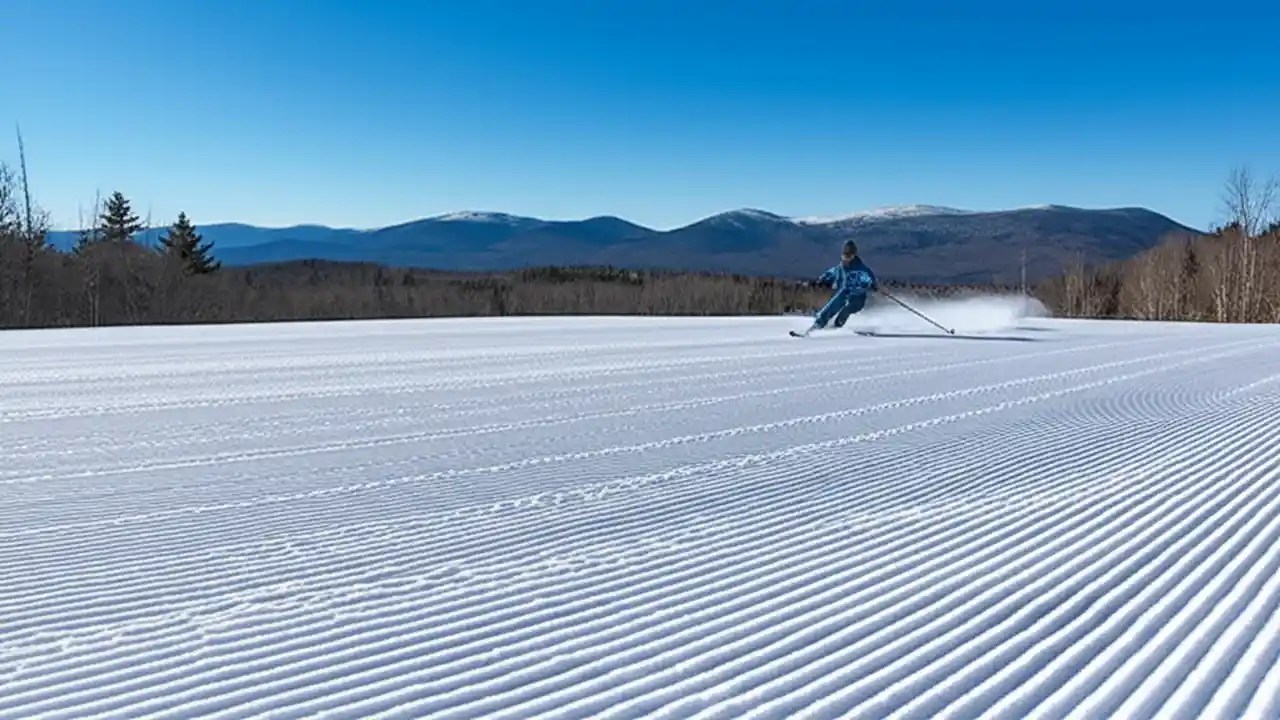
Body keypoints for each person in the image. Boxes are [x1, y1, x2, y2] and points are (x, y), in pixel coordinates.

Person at [802, 239, 879, 334]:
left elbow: (868, 278)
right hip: (844, 293)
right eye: (844, 256)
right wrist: (820, 281)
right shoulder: (840, 267)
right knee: (831, 306)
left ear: (854, 256)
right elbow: (830, 274)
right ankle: (817, 325)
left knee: (845, 310)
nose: (846, 258)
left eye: (849, 256)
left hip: (857, 298)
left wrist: (872, 284)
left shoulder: (861, 269)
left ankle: (837, 329)